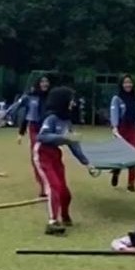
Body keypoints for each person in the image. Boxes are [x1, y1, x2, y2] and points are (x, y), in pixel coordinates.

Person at [34, 87, 90, 236]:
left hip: (55, 155)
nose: (73, 103)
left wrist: (86, 162)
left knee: (64, 192)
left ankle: (65, 216)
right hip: (43, 154)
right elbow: (42, 137)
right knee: (54, 187)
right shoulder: (50, 119)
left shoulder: (67, 120)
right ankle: (53, 222)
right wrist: (63, 138)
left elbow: (73, 143)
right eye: (71, 100)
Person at [8, 76, 51, 198]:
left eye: (46, 81)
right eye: (42, 81)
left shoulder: (52, 97)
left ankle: (50, 184)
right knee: (36, 158)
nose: (44, 83)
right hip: (34, 129)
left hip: (48, 129)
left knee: (47, 157)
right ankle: (43, 186)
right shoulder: (31, 97)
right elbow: (27, 116)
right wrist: (21, 133)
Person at [109, 75, 135, 192]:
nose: (128, 85)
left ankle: (131, 183)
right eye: (125, 83)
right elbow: (114, 114)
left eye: (130, 83)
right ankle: (116, 172)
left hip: (133, 129)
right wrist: (115, 127)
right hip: (121, 129)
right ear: (121, 85)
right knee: (120, 155)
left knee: (133, 155)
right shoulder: (117, 99)